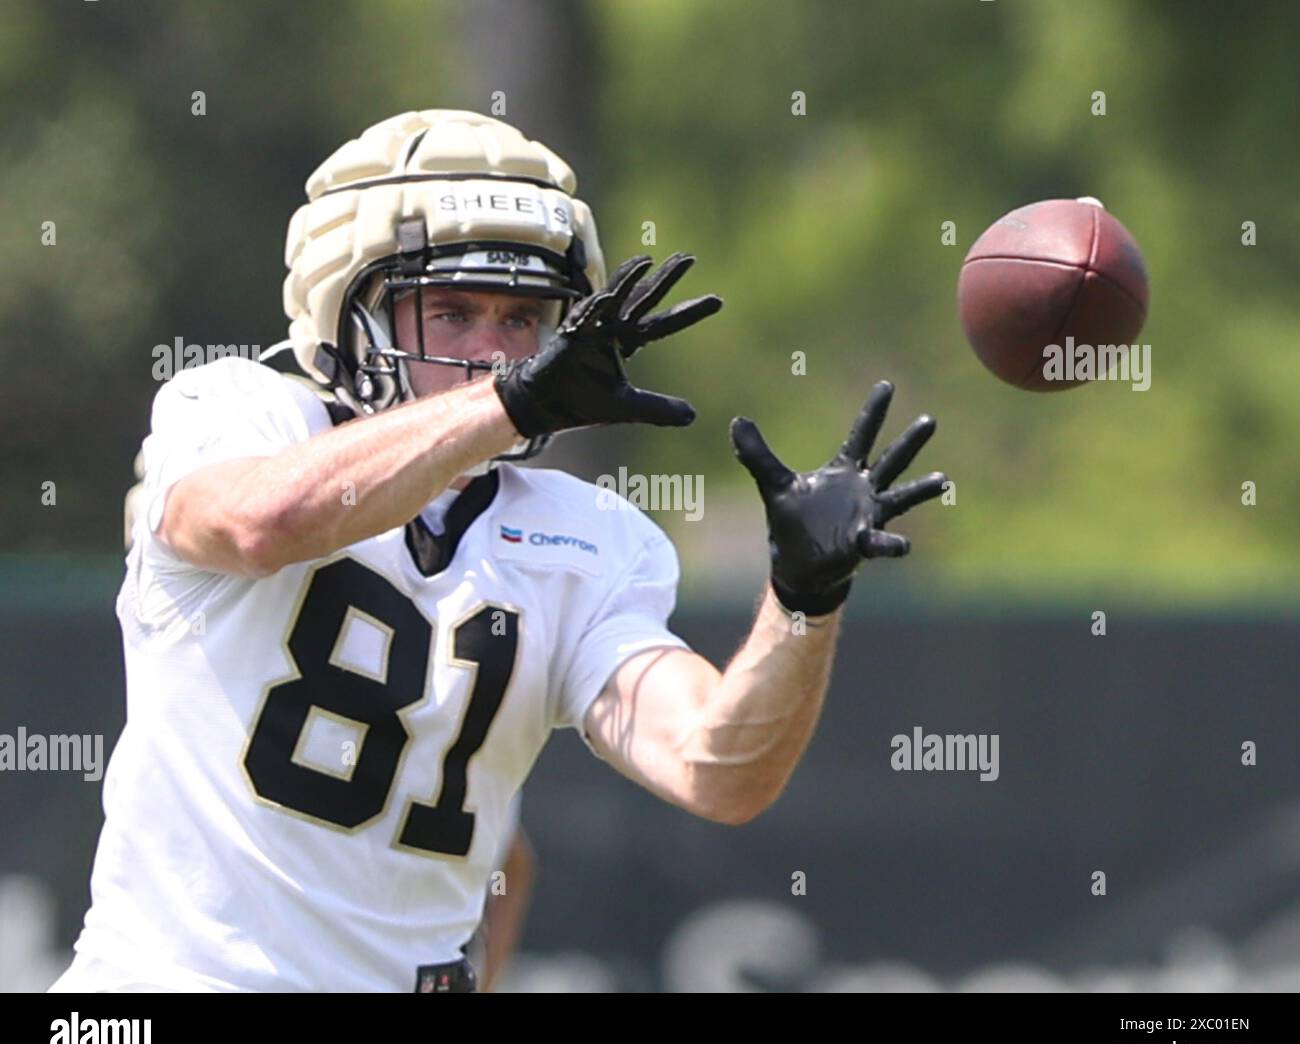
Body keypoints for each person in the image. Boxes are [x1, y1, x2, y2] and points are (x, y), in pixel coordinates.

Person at [51, 109, 946, 993]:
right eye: (452, 311)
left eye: (522, 320)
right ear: (348, 311)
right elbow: (262, 524)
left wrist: (802, 601)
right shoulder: (237, 413)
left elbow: (718, 772)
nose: (492, 352)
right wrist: (510, 404)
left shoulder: (586, 537)